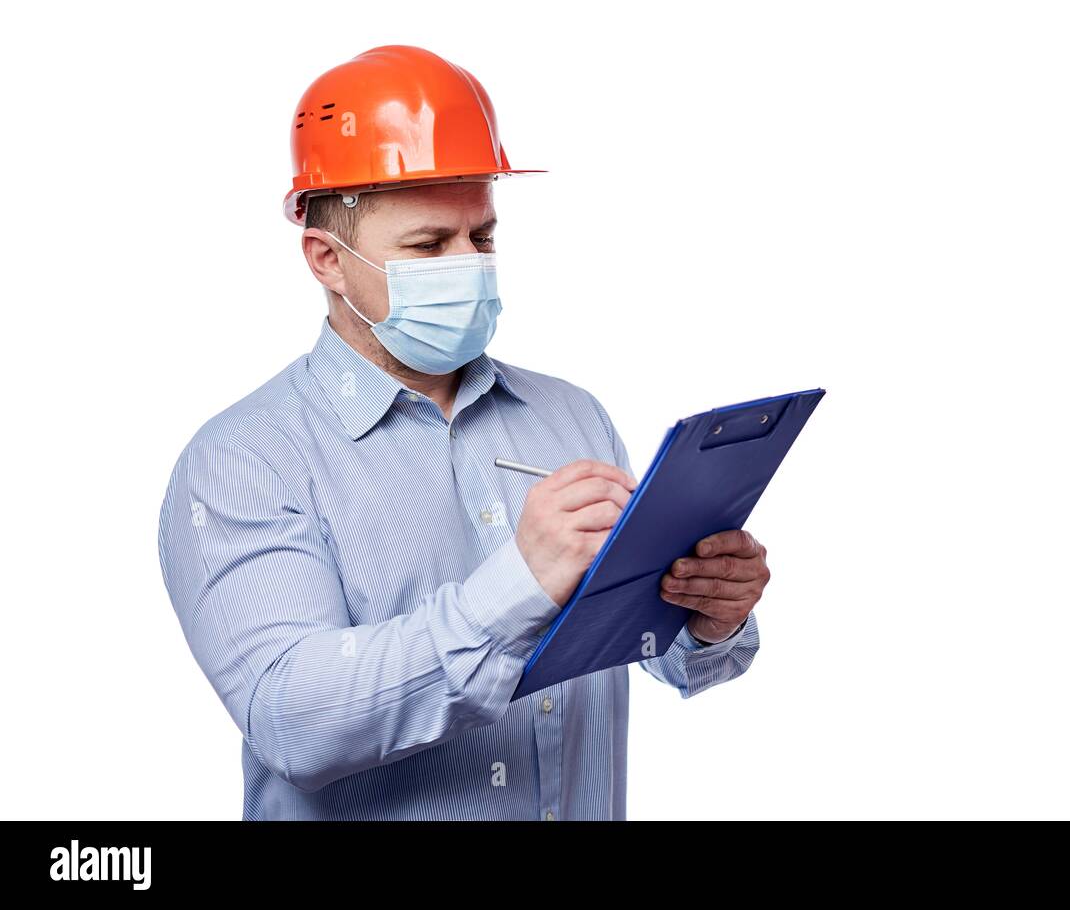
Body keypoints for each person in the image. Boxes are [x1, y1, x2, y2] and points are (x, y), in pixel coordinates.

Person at [158, 46, 768, 820]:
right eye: (426, 246)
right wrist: (518, 584)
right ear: (326, 259)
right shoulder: (243, 462)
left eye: (481, 238)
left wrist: (707, 619)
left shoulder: (572, 416)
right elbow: (291, 722)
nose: (468, 266)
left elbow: (667, 660)